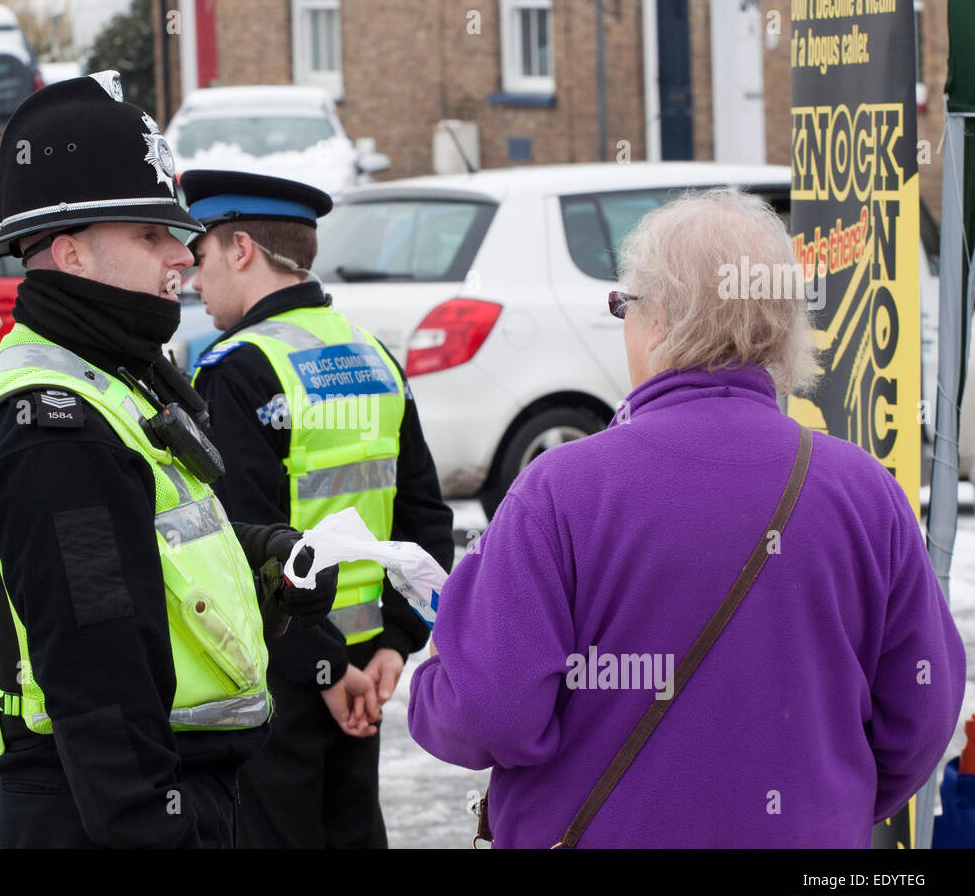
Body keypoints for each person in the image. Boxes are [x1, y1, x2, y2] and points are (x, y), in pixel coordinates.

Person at [407, 189, 968, 848]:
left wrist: (440, 667)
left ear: (660, 319)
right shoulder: (867, 492)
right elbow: (924, 712)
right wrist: (827, 802)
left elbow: (493, 714)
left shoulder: (560, 491)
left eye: (624, 305)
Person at [0, 72, 336, 849]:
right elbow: (98, 683)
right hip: (112, 813)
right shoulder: (54, 428)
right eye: (150, 234)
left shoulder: (106, 377)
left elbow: (145, 551)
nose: (180, 255)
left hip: (149, 794)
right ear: (72, 253)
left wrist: (263, 560)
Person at [183, 169, 455, 848]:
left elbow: (237, 547)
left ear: (239, 248)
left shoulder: (236, 370)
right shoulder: (374, 357)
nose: (192, 279)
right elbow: (425, 520)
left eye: (200, 255)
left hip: (283, 678)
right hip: (363, 675)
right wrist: (396, 643)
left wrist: (325, 667)